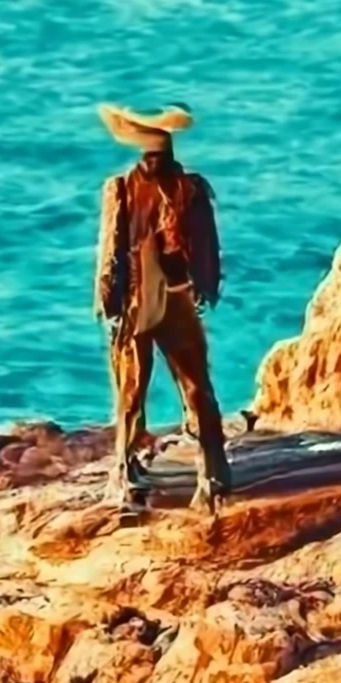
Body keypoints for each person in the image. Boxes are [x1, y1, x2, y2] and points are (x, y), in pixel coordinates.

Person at [94, 102, 232, 512]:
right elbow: (114, 248)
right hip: (154, 298)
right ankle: (141, 466)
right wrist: (109, 301)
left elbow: (112, 249)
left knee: (169, 389)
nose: (155, 163)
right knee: (144, 390)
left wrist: (107, 302)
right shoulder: (146, 189)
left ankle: (203, 469)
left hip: (157, 301)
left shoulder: (170, 190)